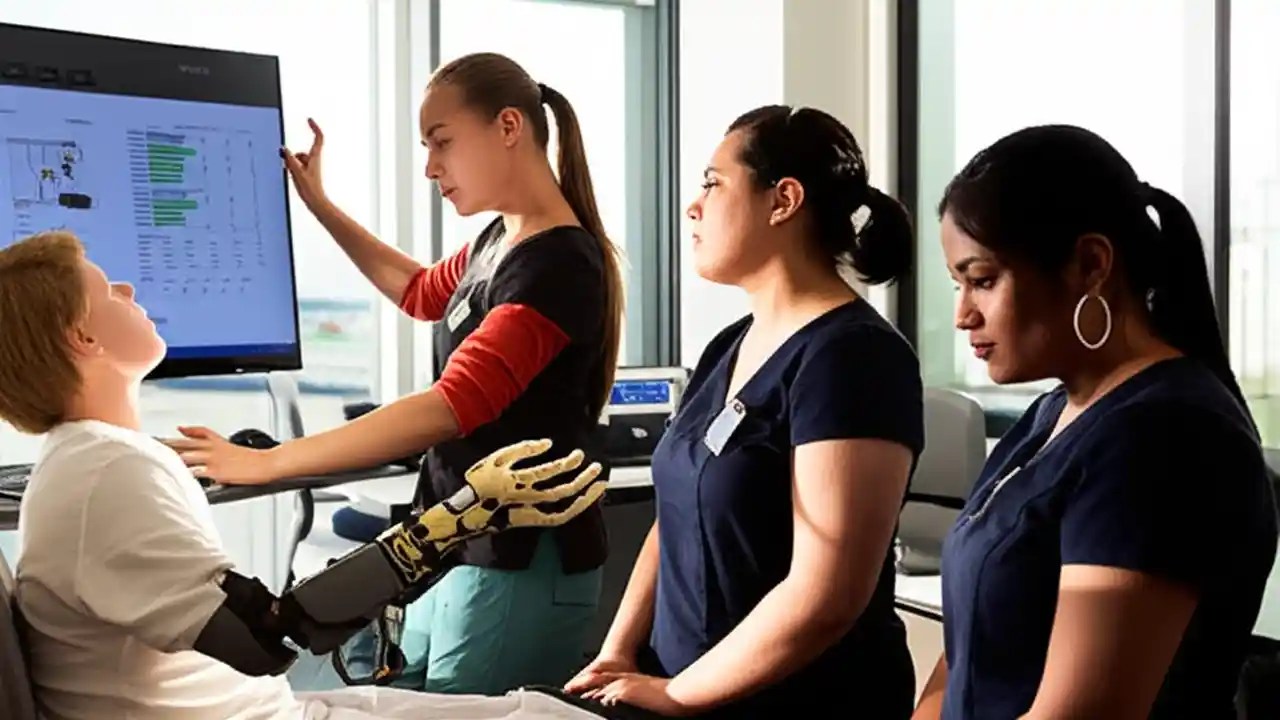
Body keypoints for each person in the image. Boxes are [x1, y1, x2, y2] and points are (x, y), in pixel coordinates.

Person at [1, 231, 611, 720]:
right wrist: (456, 521)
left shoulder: (97, 461)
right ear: (83, 337)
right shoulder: (106, 473)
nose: (128, 287)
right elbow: (267, 640)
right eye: (107, 290)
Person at [164, 52, 625, 695]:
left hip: (516, 558)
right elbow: (419, 290)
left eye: (442, 142)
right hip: (459, 543)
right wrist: (319, 205)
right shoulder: (500, 240)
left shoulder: (558, 265)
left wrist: (269, 463)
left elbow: (450, 405)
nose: (431, 167)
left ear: (508, 127)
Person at [565, 105, 925, 717]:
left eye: (713, 183)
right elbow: (675, 517)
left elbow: (828, 593)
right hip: (683, 690)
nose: (693, 207)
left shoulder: (853, 357)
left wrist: (679, 693)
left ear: (783, 200)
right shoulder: (729, 347)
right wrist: (618, 651)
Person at [910, 125, 1279, 720]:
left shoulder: (1165, 436)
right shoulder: (1052, 414)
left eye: (982, 280)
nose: (962, 315)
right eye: (958, 284)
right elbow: (968, 653)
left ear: (1090, 264)